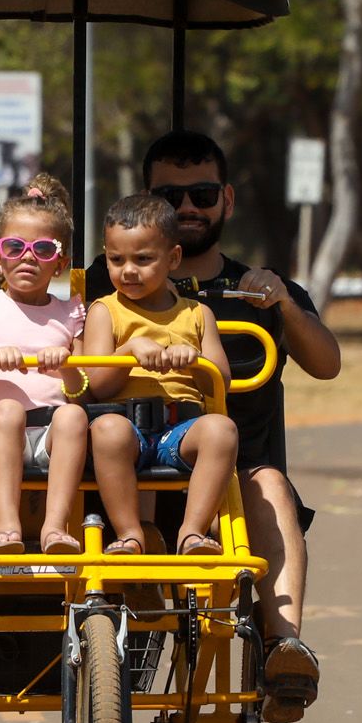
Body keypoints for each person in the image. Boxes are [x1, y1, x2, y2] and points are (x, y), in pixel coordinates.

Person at [83, 130, 338, 721]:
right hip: (123, 470)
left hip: (223, 472)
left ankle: (284, 650)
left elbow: (327, 366)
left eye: (201, 193)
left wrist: (282, 305)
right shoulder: (104, 284)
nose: (188, 208)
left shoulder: (253, 290)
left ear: (226, 198)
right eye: (171, 197)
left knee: (268, 482)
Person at [84, 193, 239, 562]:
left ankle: (192, 532)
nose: (128, 271)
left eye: (143, 259)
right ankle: (130, 533)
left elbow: (221, 383)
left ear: (173, 258)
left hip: (179, 429)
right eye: (116, 259)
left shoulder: (198, 314)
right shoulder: (105, 311)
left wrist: (197, 361)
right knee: (107, 430)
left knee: (222, 429)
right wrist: (126, 353)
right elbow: (97, 386)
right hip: (126, 429)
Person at [0, 176, 90, 555]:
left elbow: (82, 390)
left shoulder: (70, 312)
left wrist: (69, 365)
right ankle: (6, 526)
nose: (28, 257)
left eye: (43, 249)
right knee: (8, 410)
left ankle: (55, 528)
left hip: (49, 437)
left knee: (74, 417)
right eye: (15, 246)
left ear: (59, 263)